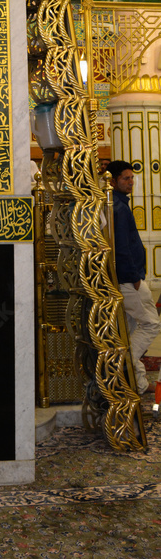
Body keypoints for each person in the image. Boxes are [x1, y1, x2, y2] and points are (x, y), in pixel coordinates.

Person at [106, 160, 160, 395]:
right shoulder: (117, 208)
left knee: (128, 330)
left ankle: (137, 384)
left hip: (128, 278)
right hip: (130, 280)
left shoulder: (119, 204)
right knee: (151, 324)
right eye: (126, 178)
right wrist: (134, 277)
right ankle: (124, 362)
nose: (131, 182)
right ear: (114, 180)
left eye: (132, 178)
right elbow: (122, 248)